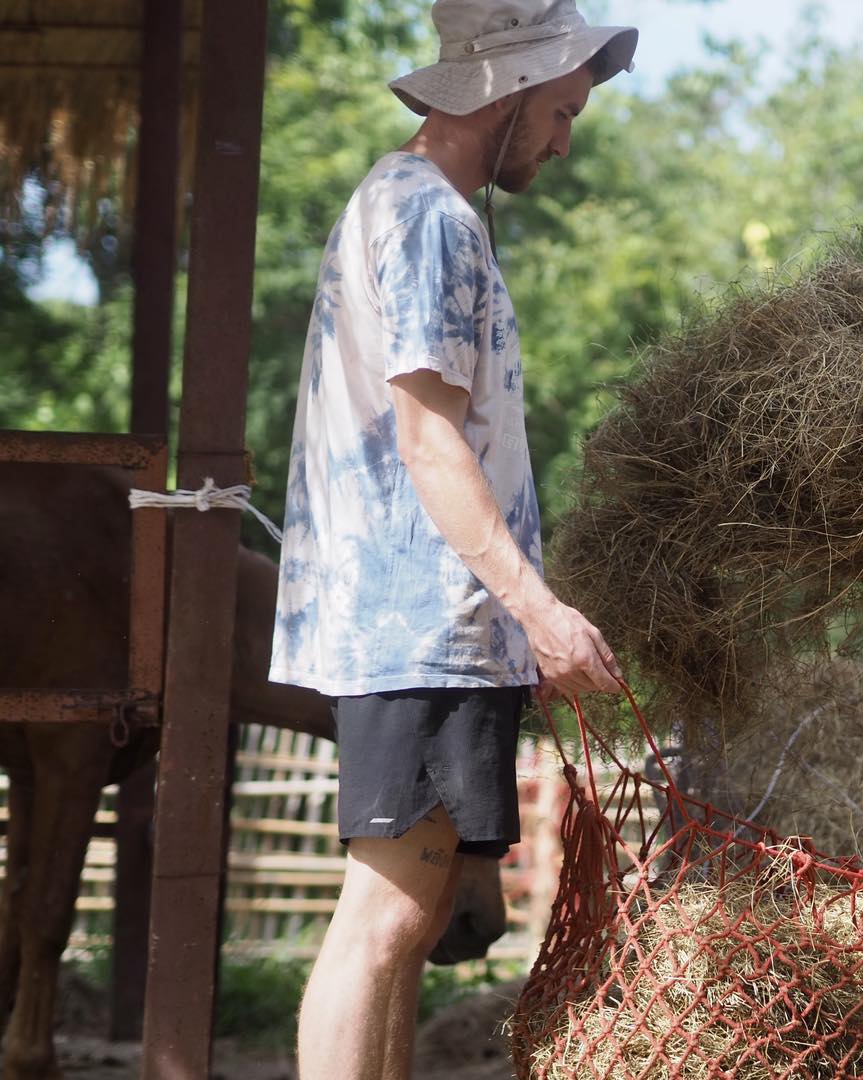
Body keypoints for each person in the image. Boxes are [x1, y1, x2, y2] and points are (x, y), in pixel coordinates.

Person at [267, 3, 638, 1076]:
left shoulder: (404, 203)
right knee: (382, 921)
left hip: (429, 623)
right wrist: (542, 612)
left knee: (406, 918)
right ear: (509, 93)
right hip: (419, 621)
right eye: (562, 111)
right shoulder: (431, 217)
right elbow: (432, 443)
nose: (565, 138)